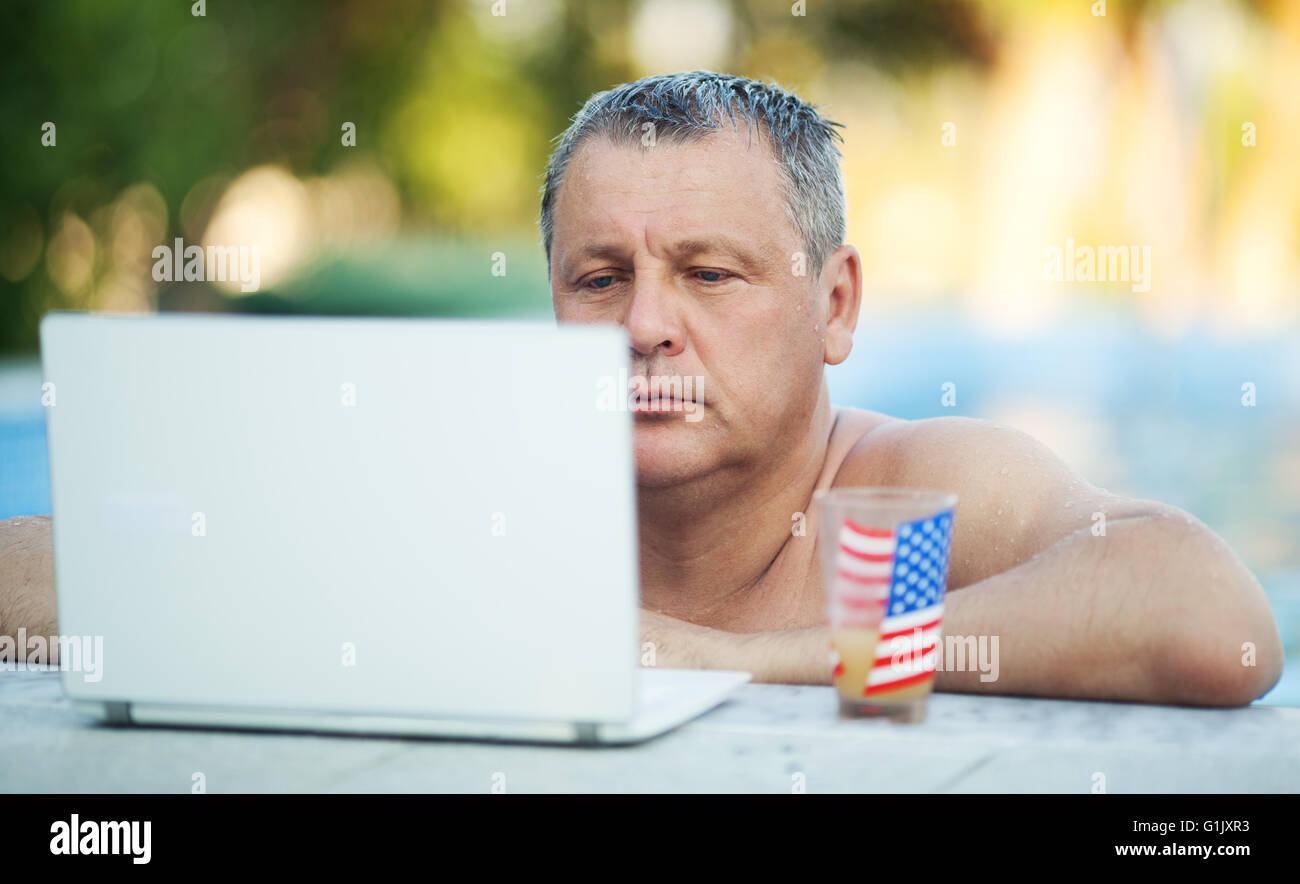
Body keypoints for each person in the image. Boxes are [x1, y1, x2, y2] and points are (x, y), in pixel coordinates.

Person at [0, 72, 1283, 707]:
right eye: (600, 276)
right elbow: (41, 571)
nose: (645, 327)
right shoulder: (476, 497)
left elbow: (1209, 615)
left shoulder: (894, 507)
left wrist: (740, 661)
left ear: (834, 305)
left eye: (709, 275)